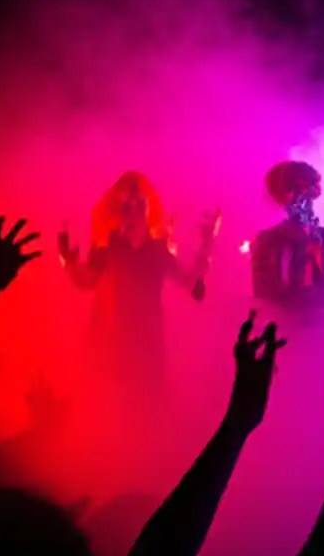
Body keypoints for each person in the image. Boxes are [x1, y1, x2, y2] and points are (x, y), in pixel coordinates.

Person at [58, 172, 217, 406]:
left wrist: (206, 244)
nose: (132, 213)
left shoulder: (156, 252)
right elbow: (85, 281)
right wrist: (68, 259)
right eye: (126, 208)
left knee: (147, 402)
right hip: (113, 345)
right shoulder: (108, 251)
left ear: (146, 212)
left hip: (148, 343)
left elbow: (189, 281)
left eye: (138, 206)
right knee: (114, 404)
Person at [250, 161, 324, 324]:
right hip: (282, 328)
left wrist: (318, 258)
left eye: (303, 195)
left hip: (322, 328)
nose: (298, 202)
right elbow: (262, 291)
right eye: (291, 193)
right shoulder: (267, 242)